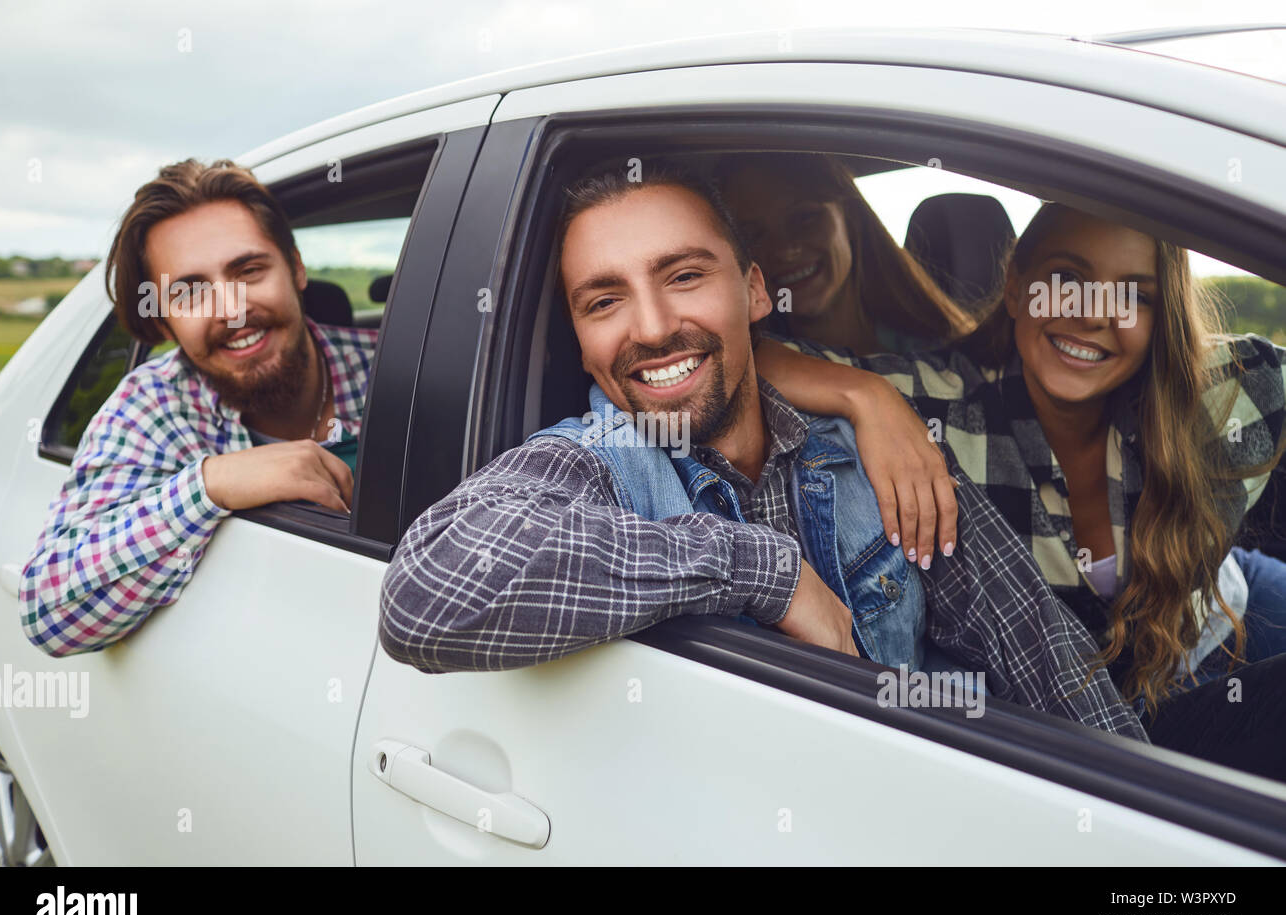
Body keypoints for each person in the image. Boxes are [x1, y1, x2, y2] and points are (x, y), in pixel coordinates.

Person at [377, 164, 1146, 740]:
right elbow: (427, 594)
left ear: (752, 294)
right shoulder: (591, 464)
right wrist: (762, 572)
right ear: (580, 343)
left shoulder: (878, 459)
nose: (648, 328)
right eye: (604, 301)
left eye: (683, 275)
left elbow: (1052, 670)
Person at [754, 202, 1286, 772]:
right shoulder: (941, 405)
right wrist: (866, 396)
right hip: (1103, 734)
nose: (1092, 315)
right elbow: (745, 358)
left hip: (1215, 631)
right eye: (1066, 280)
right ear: (1016, 289)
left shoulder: (1224, 398)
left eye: (1133, 295)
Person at [20, 159, 376, 656]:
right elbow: (50, 614)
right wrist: (212, 484)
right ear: (163, 322)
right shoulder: (152, 408)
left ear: (295, 268)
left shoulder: (394, 365)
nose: (231, 309)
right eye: (190, 292)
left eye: (249, 270)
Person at [716, 152, 974, 355]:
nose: (785, 251)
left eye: (805, 218)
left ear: (851, 218)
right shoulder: (745, 374)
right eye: (753, 235)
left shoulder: (946, 359)